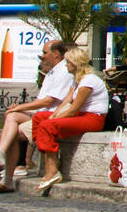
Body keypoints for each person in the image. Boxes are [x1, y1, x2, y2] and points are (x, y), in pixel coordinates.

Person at [0, 39, 73, 184]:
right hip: (42, 112)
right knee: (11, 115)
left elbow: (49, 101)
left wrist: (21, 107)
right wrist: (19, 108)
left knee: (15, 125)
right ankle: (2, 157)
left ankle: (15, 164)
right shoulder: (53, 72)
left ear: (56, 54)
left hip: (51, 114)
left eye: (45, 53)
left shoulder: (64, 71)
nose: (43, 56)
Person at [26, 47, 110, 193]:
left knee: (47, 126)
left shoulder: (88, 81)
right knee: (39, 118)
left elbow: (73, 110)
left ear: (75, 63)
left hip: (93, 118)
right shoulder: (76, 79)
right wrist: (54, 114)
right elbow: (66, 102)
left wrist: (54, 118)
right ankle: (48, 155)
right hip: (81, 115)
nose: (65, 65)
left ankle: (52, 170)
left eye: (68, 62)